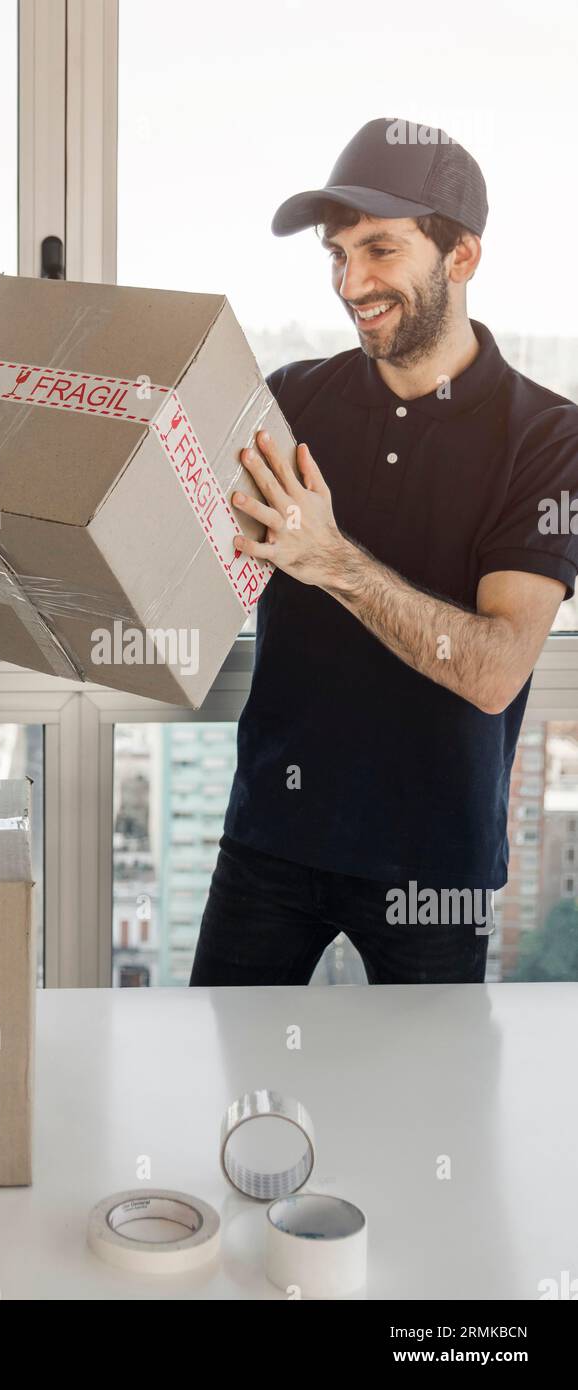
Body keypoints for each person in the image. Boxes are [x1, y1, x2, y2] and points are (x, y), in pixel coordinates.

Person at [190, 116, 578, 987]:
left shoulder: (548, 439)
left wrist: (330, 559)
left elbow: (494, 668)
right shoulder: (292, 399)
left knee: (432, 1121)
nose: (351, 282)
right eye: (336, 255)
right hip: (270, 841)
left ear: (462, 257)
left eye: (379, 250)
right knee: (229, 1102)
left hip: (434, 866)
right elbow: (193, 566)